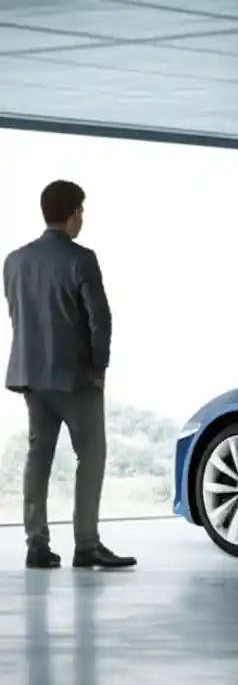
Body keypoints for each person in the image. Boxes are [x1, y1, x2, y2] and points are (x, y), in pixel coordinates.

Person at [3, 180, 136, 569]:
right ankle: (86, 544)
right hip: (77, 378)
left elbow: (18, 314)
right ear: (74, 212)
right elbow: (100, 319)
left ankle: (36, 544)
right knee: (91, 457)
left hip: (30, 375)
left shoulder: (14, 260)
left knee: (37, 456)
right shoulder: (82, 258)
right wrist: (99, 367)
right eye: (82, 211)